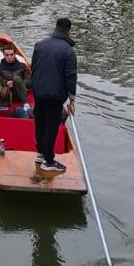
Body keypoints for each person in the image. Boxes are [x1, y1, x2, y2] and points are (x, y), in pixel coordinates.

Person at [29, 17, 77, 172]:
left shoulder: (40, 44)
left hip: (38, 91)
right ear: (69, 31)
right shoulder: (69, 51)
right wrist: (72, 99)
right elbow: (70, 76)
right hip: (55, 95)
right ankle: (48, 161)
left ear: (55, 28)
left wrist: (35, 87)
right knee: (51, 126)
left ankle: (40, 153)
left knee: (40, 122)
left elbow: (33, 67)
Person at [0, 42, 31, 109]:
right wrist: (6, 83)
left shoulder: (23, 66)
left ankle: (25, 104)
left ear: (15, 54)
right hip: (5, 94)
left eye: (11, 55)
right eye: (7, 55)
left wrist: (15, 82)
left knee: (17, 79)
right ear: (3, 55)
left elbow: (29, 83)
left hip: (19, 93)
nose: (9, 57)